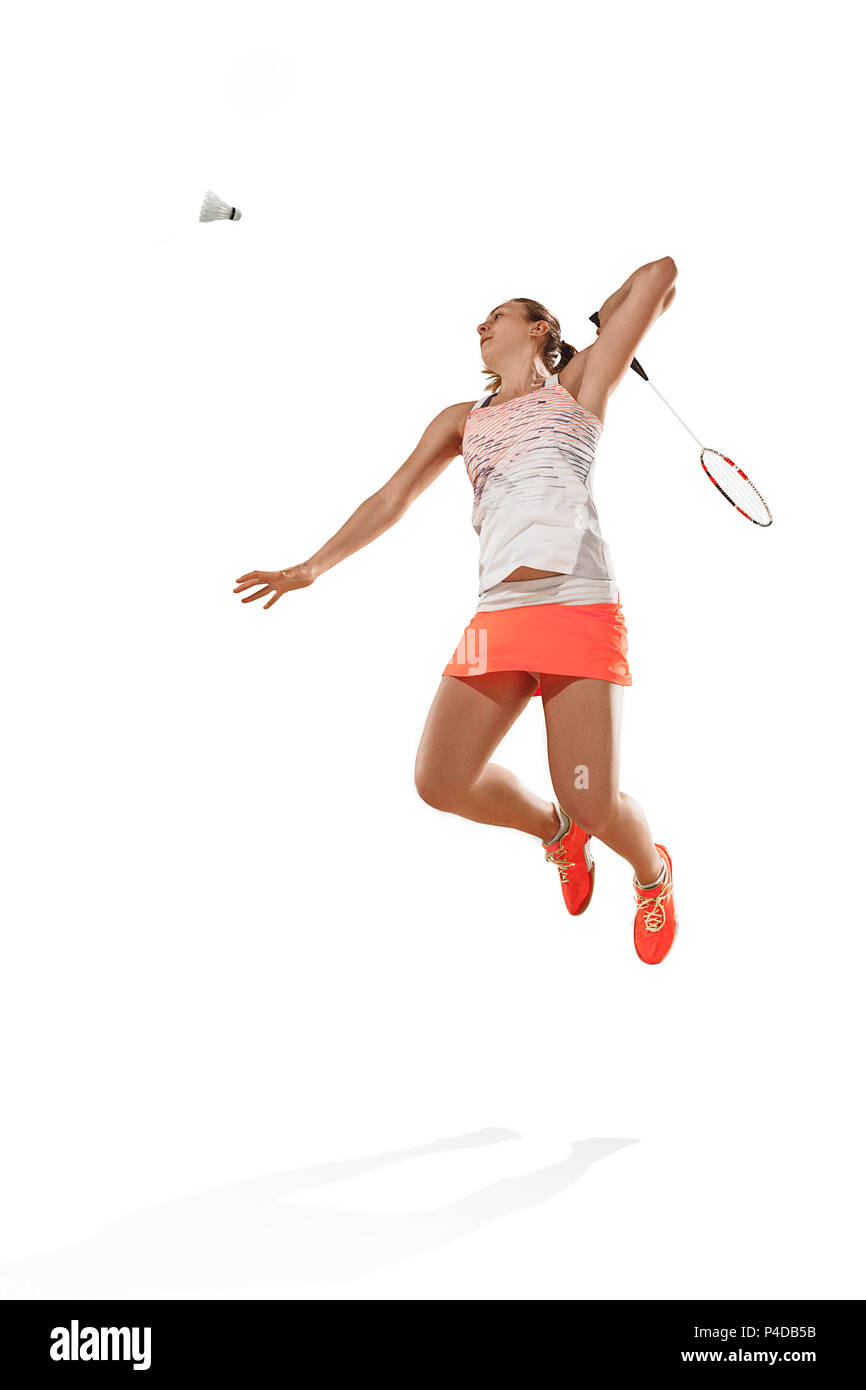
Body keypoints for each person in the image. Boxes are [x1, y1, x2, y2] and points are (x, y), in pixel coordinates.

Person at [233, 259, 679, 965]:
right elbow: (390, 500)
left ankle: (651, 875)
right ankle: (556, 833)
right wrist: (312, 565)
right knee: (440, 781)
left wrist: (606, 320)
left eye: (497, 315)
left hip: (576, 607)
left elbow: (661, 278)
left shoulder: (580, 385)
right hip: (499, 614)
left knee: (598, 801)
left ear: (539, 328)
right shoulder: (460, 420)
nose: (481, 325)